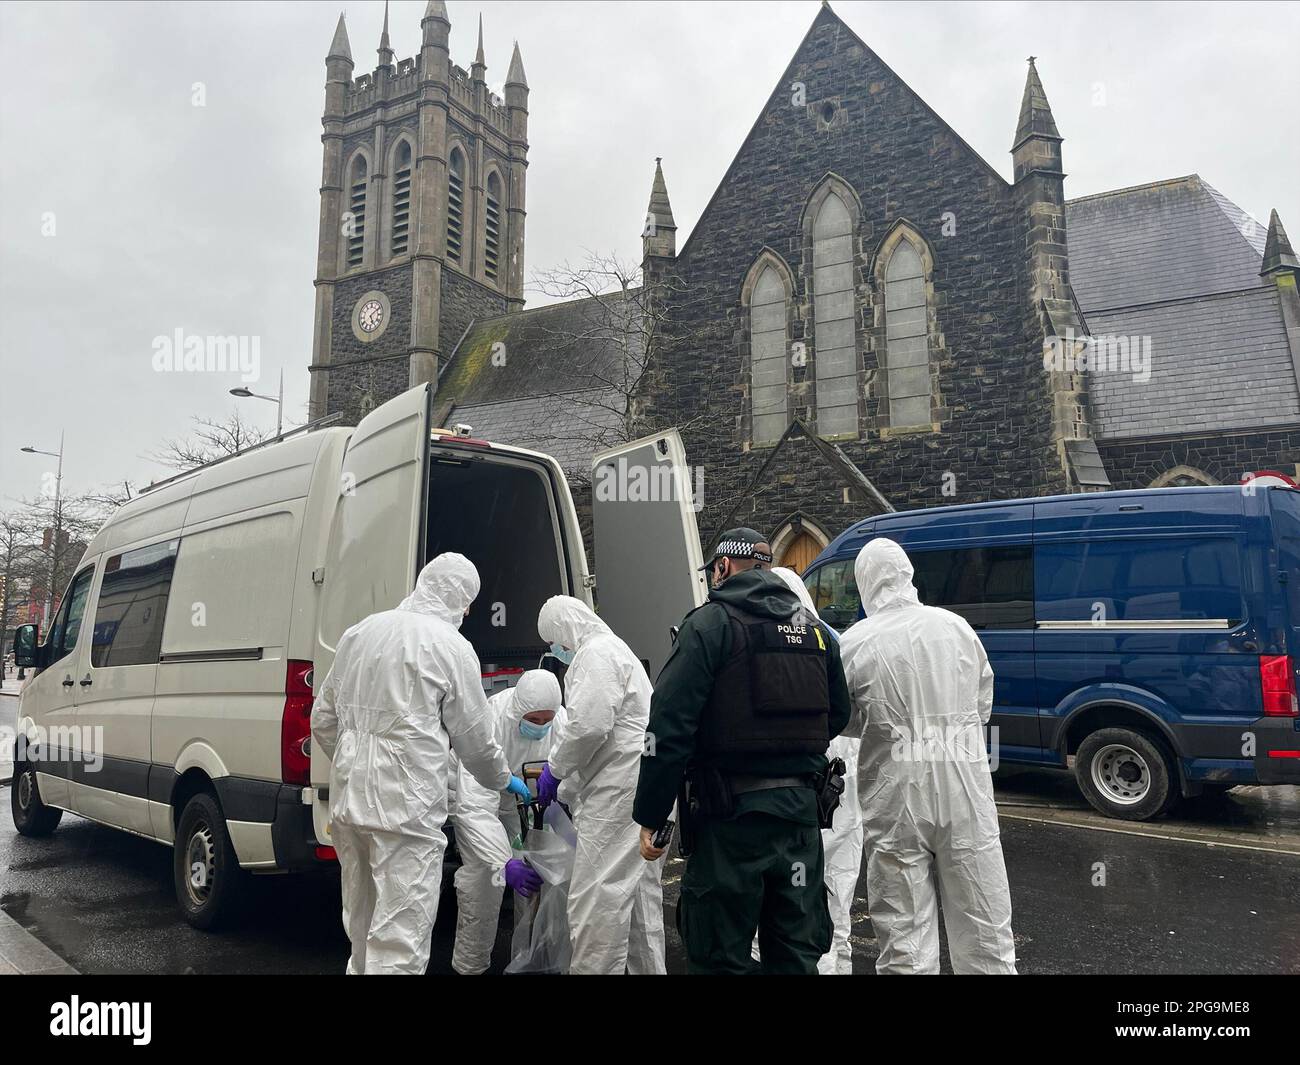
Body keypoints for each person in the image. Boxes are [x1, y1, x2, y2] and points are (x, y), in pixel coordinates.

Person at [634, 528, 852, 975]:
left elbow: (669, 729)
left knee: (719, 955)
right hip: (800, 823)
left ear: (722, 567)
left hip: (730, 824)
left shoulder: (708, 626)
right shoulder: (815, 633)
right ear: (766, 566)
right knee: (795, 954)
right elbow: (838, 715)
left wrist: (653, 816)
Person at [311, 553, 532, 975]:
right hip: (406, 813)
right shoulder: (450, 646)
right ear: (461, 597)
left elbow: (323, 719)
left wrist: (352, 763)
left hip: (350, 806)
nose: (468, 611)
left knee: (361, 931)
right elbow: (476, 743)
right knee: (400, 941)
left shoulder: (360, 632)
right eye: (469, 601)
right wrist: (504, 780)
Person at [840, 538, 1017, 975]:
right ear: (907, 574)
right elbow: (982, 706)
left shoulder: (855, 643)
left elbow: (845, 723)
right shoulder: (956, 628)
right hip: (965, 791)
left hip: (895, 797)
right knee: (985, 925)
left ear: (865, 582)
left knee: (904, 935)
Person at [534, 595, 667, 975]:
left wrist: (555, 772)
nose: (557, 651)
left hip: (617, 795)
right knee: (641, 902)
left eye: (555, 641)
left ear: (564, 629)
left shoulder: (596, 653)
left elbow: (588, 727)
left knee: (597, 903)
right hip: (641, 786)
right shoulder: (616, 650)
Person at [770, 565, 864, 976]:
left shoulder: (773, 651)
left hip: (804, 802)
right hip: (840, 798)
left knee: (791, 910)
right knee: (834, 904)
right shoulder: (830, 644)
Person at [450, 669, 563, 975]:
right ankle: (470, 966)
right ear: (517, 711)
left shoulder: (561, 721)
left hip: (522, 803)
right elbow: (474, 808)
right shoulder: (491, 720)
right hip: (474, 794)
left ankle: (528, 959)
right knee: (484, 881)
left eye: (546, 721)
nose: (541, 727)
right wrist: (503, 862)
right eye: (533, 720)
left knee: (536, 877)